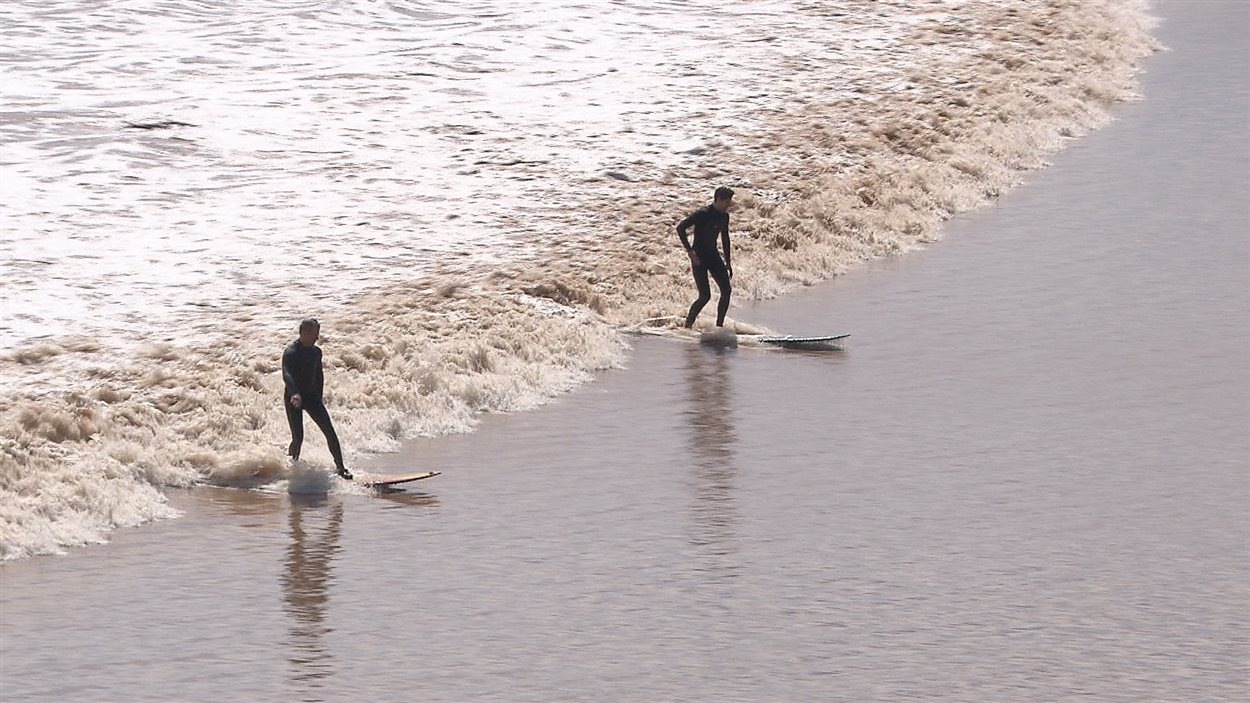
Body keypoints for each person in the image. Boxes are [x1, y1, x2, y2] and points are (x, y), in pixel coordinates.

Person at [282, 318, 352, 479]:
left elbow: (319, 376)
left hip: (312, 397)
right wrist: (294, 393)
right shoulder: (291, 352)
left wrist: (319, 397)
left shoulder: (316, 352)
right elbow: (287, 374)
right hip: (294, 399)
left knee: (330, 431)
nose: (317, 338)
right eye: (315, 334)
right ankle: (291, 469)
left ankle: (341, 468)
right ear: (304, 333)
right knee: (298, 437)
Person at [677, 186, 734, 328]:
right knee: (704, 296)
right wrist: (690, 251)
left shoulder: (724, 216)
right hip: (699, 259)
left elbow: (725, 239)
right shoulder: (702, 213)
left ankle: (719, 327)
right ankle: (688, 325)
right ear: (718, 199)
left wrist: (728, 262)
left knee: (726, 291)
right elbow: (681, 228)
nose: (728, 205)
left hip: (713, 256)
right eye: (726, 202)